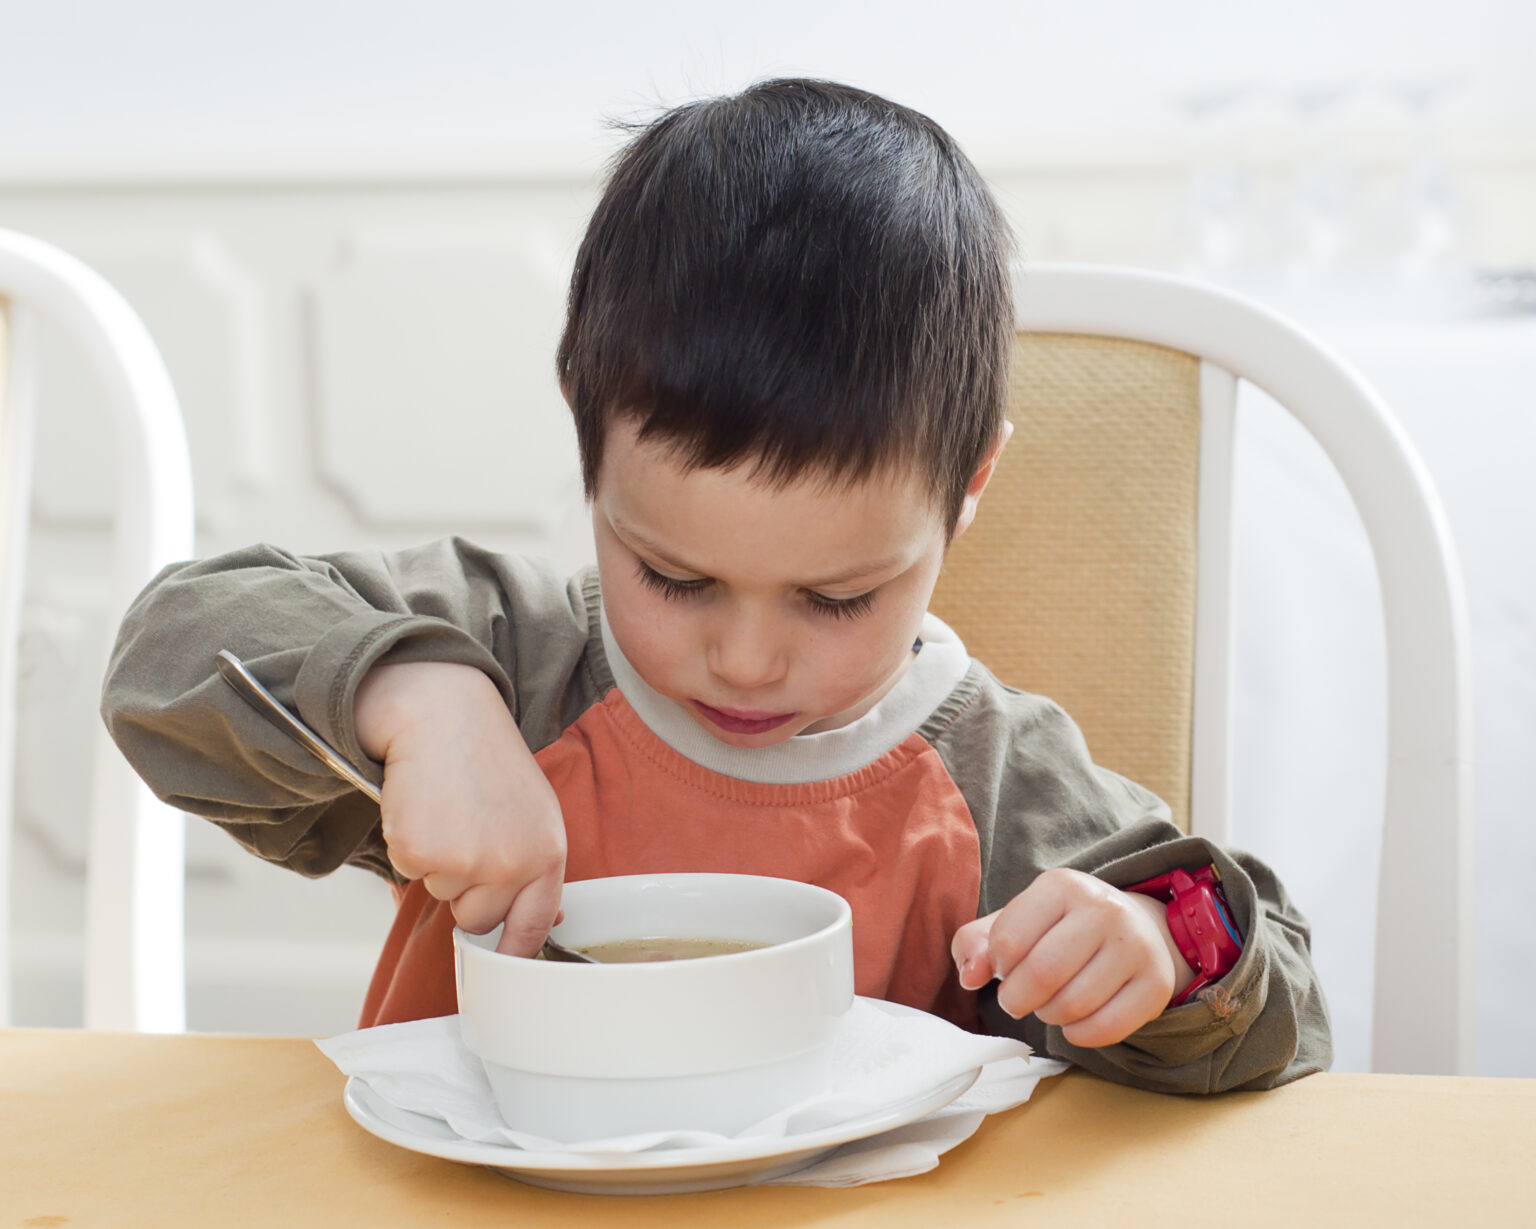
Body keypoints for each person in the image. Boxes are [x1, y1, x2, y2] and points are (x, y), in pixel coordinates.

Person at [101, 78, 1330, 1093]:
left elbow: (1284, 1007)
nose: (746, 658)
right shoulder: (512, 665)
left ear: (970, 488)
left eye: (836, 598)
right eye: (675, 575)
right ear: (588, 440)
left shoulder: (998, 784)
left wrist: (1161, 945)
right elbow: (169, 651)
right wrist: (415, 699)